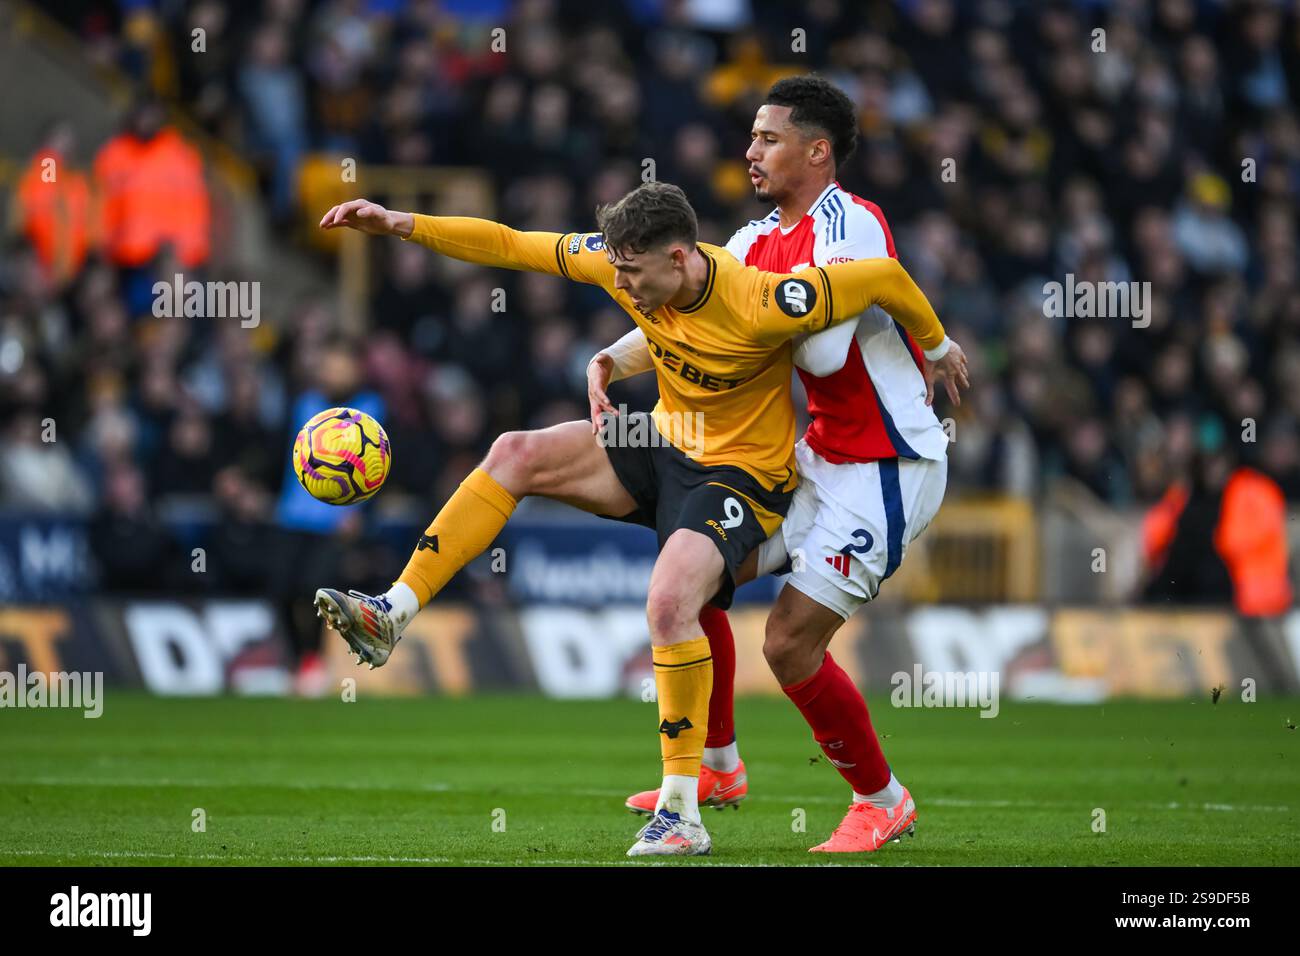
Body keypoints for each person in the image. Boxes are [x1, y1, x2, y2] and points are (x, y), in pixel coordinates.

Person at [312, 180, 962, 857]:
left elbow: (884, 275)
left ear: (679, 258)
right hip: (659, 441)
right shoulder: (625, 264)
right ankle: (393, 610)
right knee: (515, 453)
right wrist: (404, 224)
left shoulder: (764, 301)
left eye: (632, 272)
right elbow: (511, 244)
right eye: (614, 267)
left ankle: (682, 813)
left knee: (670, 601)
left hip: (741, 474)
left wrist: (937, 346)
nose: (619, 283)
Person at [589, 76, 968, 852]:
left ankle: (882, 798)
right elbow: (691, 307)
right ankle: (718, 764)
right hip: (820, 455)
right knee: (698, 577)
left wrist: (766, 317)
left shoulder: (853, 224)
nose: (750, 151)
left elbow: (823, 346)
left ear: (817, 151)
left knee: (789, 643)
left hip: (888, 466)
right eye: (753, 136)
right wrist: (615, 356)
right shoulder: (758, 240)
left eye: (767, 138)